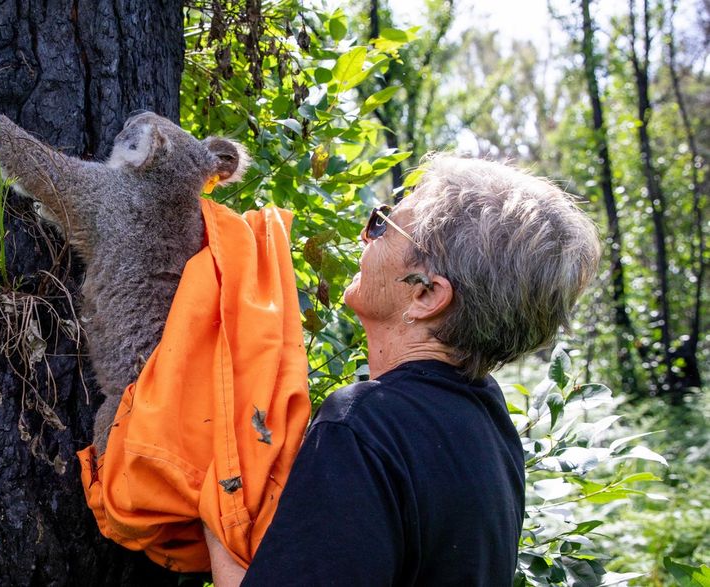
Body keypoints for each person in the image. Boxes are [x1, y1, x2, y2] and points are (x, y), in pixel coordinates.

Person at [204, 154, 602, 586]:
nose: (364, 234)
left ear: (427, 295)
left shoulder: (365, 425)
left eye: (382, 225)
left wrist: (214, 500)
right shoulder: (489, 420)